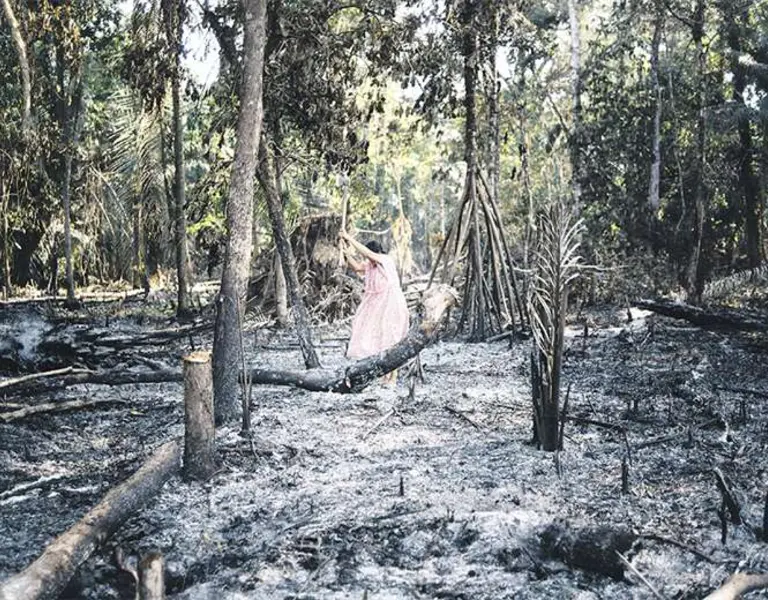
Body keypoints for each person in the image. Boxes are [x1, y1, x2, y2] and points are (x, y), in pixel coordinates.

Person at [339, 231, 409, 382]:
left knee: (390, 337)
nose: (368, 259)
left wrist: (349, 238)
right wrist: (346, 253)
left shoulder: (385, 260)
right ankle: (383, 376)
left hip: (391, 303)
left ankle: (393, 377)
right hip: (377, 305)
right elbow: (357, 267)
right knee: (374, 336)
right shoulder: (370, 265)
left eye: (370, 255)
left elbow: (368, 254)